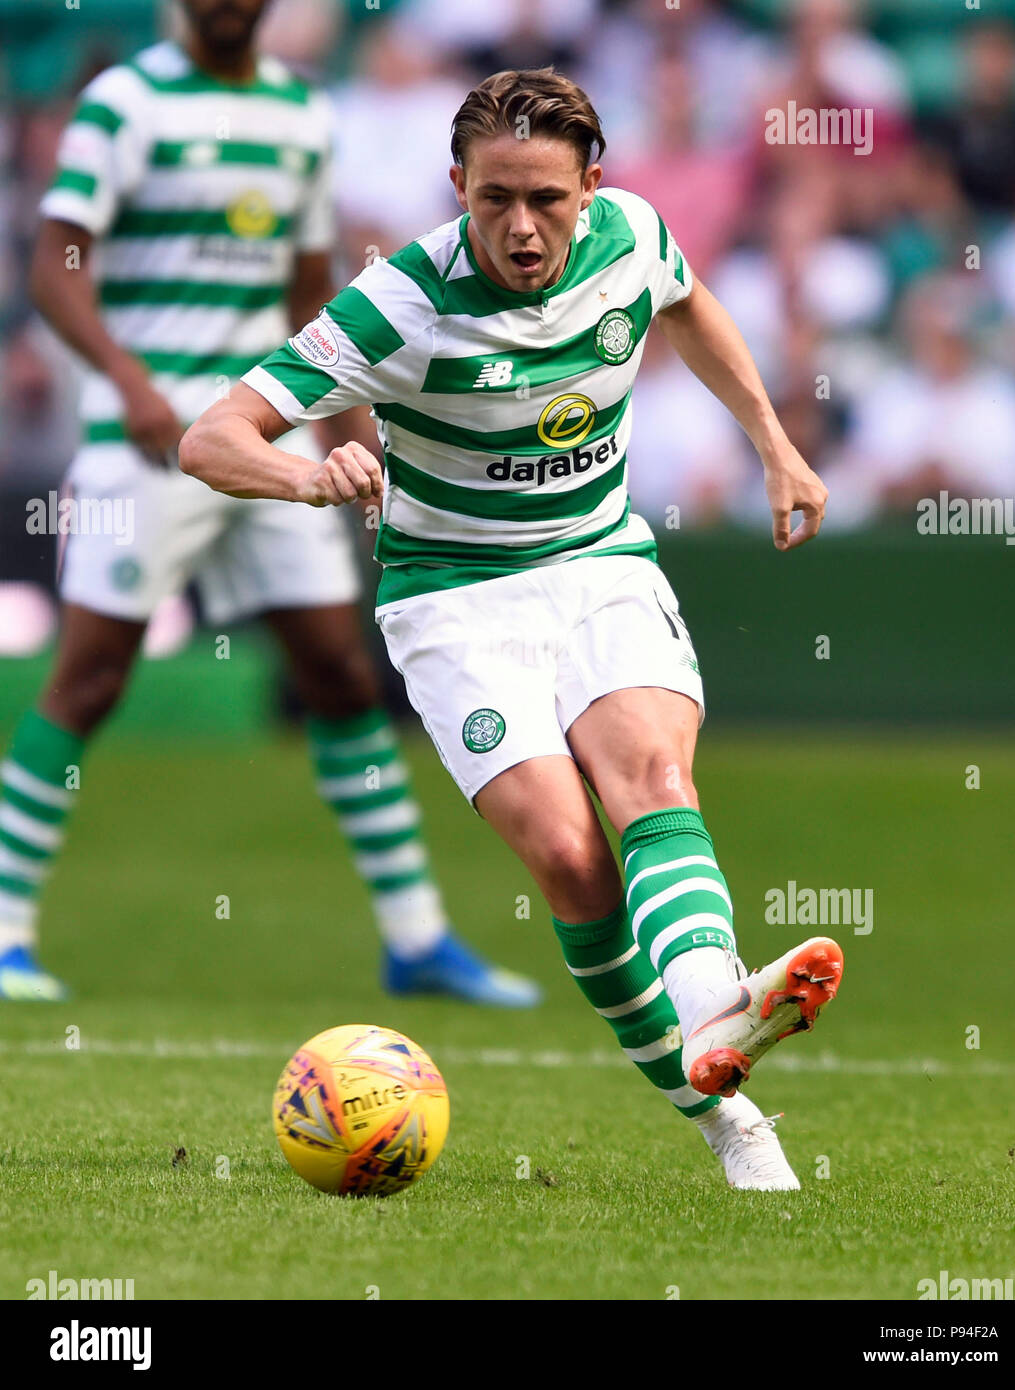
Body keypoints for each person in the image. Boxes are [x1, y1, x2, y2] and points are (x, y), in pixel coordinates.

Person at [181, 68, 844, 1190]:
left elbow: (685, 300)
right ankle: (720, 1105)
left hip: (596, 562)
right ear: (457, 187)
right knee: (571, 859)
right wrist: (304, 476)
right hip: (453, 598)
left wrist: (772, 440)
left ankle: (718, 1030)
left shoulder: (631, 233)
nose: (520, 227)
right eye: (494, 199)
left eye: (545, 197)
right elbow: (209, 437)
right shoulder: (397, 302)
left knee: (650, 781)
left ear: (592, 184)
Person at [0, 0, 540, 1010]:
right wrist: (128, 382)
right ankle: (4, 930)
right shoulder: (124, 104)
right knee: (89, 679)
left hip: (264, 438)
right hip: (144, 443)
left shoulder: (302, 109)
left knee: (337, 671)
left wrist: (351, 434)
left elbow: (308, 293)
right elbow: (54, 264)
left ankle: (416, 938)